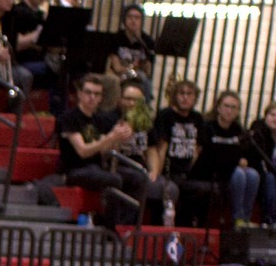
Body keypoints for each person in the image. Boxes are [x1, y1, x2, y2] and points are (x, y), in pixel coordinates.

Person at [54, 73, 143, 227]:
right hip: (75, 169)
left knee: (138, 178)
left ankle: (126, 226)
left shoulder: (101, 119)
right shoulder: (69, 117)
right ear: (80, 94)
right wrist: (110, 137)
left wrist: (118, 138)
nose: (92, 97)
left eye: (96, 94)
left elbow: (104, 151)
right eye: (88, 93)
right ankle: (109, 228)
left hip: (97, 167)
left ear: (101, 98)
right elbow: (82, 151)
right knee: (113, 179)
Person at [194, 90, 264, 229]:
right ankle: (237, 219)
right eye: (226, 106)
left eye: (234, 108)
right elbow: (204, 152)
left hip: (231, 170)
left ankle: (245, 218)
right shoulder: (208, 126)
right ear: (218, 107)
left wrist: (243, 159)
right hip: (211, 171)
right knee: (238, 173)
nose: (229, 111)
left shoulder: (239, 130)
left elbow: (245, 153)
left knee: (253, 174)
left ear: (238, 111)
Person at [113, 78, 176, 224]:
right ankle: (125, 225)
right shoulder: (112, 118)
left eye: (136, 100)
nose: (131, 103)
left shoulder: (146, 122)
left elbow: (151, 149)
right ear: (120, 99)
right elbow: (105, 152)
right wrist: (116, 136)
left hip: (140, 167)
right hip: (118, 165)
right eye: (128, 99)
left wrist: (154, 172)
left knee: (170, 188)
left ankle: (155, 230)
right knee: (138, 178)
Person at [148, 78, 205, 222]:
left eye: (189, 94)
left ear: (195, 98)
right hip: (169, 170)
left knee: (200, 189)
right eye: (181, 93)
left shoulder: (197, 118)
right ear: (175, 96)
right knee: (168, 190)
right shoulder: (165, 115)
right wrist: (158, 173)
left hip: (187, 171)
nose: (185, 97)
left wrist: (192, 170)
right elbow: (161, 146)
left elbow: (197, 148)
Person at [107, 4, 155, 103]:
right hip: (118, 73)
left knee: (146, 82)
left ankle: (144, 111)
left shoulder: (147, 41)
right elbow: (116, 67)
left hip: (138, 74)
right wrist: (132, 67)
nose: (133, 20)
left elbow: (148, 70)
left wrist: (142, 66)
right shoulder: (116, 38)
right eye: (130, 17)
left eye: (137, 17)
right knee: (112, 81)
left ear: (141, 21)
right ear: (124, 19)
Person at [244, 101, 276, 227]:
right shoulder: (259, 131)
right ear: (265, 116)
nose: (275, 118)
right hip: (261, 174)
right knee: (270, 179)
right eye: (272, 115)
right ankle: (270, 220)